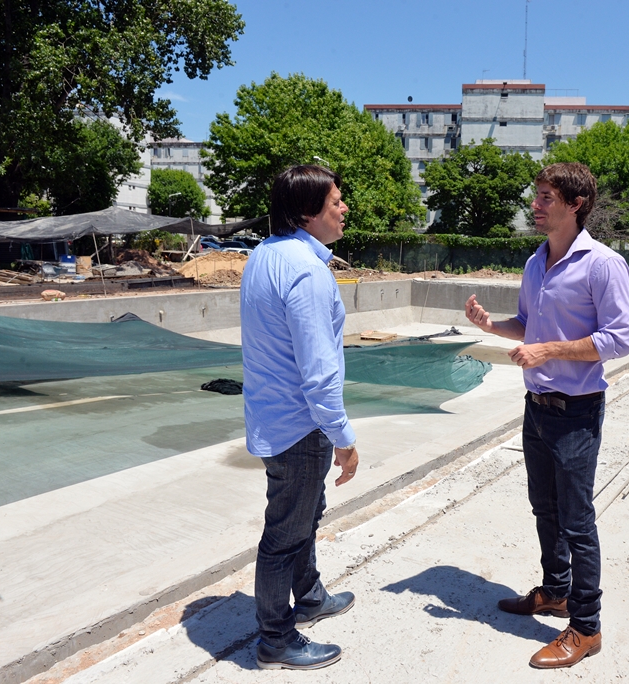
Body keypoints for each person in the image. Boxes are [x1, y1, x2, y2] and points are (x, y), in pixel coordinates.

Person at [464, 162, 629, 669]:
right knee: (545, 510)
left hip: (577, 412)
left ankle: (585, 626)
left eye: (544, 198)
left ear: (574, 204)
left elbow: (618, 339)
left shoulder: (603, 265)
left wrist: (548, 352)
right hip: (536, 408)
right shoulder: (536, 262)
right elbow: (527, 326)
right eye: (535, 197)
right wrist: (492, 326)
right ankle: (555, 591)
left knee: (578, 523)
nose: (534, 206)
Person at [240, 164, 361, 671]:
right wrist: (344, 436)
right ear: (309, 213)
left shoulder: (264, 255)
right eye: (336, 201)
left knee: (304, 516)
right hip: (300, 424)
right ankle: (275, 639)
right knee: (286, 532)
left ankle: (309, 597)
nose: (344, 208)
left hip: (275, 418)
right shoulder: (307, 271)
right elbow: (318, 371)